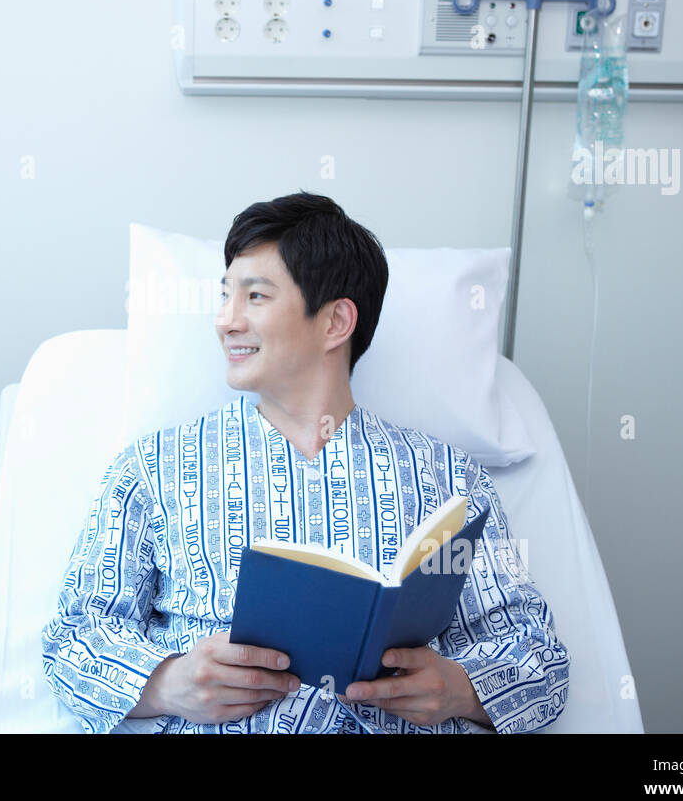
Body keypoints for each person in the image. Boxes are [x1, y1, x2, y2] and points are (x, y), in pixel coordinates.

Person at [41, 191, 570, 733]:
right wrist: (167, 684)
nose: (226, 321)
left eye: (255, 297)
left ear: (336, 322)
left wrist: (459, 691)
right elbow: (72, 637)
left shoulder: (450, 480)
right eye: (225, 296)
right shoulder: (153, 470)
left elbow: (541, 660)